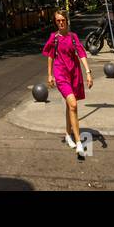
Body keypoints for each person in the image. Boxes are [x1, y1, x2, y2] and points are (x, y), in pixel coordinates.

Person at [43, 9, 93, 161]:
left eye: (62, 20)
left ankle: (67, 135)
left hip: (74, 73)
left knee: (70, 106)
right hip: (61, 74)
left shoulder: (73, 37)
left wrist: (88, 72)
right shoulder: (54, 38)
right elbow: (51, 56)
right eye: (57, 21)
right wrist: (50, 75)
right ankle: (79, 143)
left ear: (67, 20)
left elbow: (81, 53)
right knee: (73, 105)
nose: (60, 23)